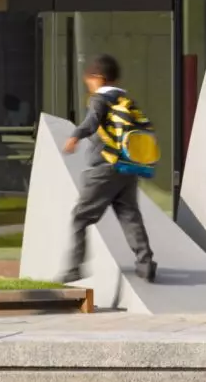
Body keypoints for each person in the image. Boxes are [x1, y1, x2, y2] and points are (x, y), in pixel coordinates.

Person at [62, 54, 157, 283]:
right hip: (128, 167)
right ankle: (145, 263)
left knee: (80, 217)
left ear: (98, 78)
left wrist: (74, 137)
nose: (88, 84)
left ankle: (74, 267)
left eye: (89, 80)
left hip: (104, 168)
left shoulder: (99, 99)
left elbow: (91, 122)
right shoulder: (126, 101)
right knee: (129, 215)